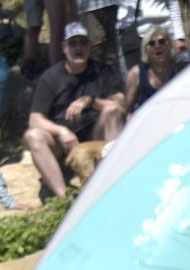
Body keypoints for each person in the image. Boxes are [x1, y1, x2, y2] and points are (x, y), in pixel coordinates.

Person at [25, 20, 127, 200]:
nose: (78, 48)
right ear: (64, 47)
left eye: (83, 42)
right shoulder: (51, 77)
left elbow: (120, 104)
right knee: (33, 136)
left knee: (112, 112)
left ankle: (114, 182)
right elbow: (34, 119)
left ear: (89, 45)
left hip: (97, 137)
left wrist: (91, 101)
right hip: (63, 143)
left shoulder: (104, 71)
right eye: (73, 43)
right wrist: (61, 131)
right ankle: (64, 198)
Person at [124, 25, 174, 111]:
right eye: (152, 43)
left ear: (169, 45)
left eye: (162, 41)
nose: (157, 46)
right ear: (146, 49)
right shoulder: (136, 73)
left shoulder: (180, 68)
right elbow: (127, 109)